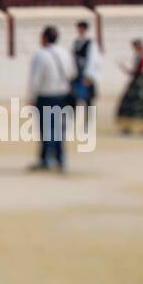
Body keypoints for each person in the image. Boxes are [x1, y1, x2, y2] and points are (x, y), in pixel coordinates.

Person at [27, 25, 75, 172]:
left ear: (45, 38)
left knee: (46, 128)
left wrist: (32, 96)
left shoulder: (40, 55)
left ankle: (46, 158)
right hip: (62, 95)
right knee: (59, 128)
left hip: (46, 95)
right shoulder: (65, 53)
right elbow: (72, 73)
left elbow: (35, 78)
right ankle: (60, 158)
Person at [70, 21, 100, 111]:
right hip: (77, 71)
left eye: (82, 28)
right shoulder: (76, 42)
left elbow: (93, 59)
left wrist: (88, 75)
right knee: (73, 96)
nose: (80, 30)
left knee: (88, 98)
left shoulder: (90, 43)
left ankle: (89, 119)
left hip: (87, 73)